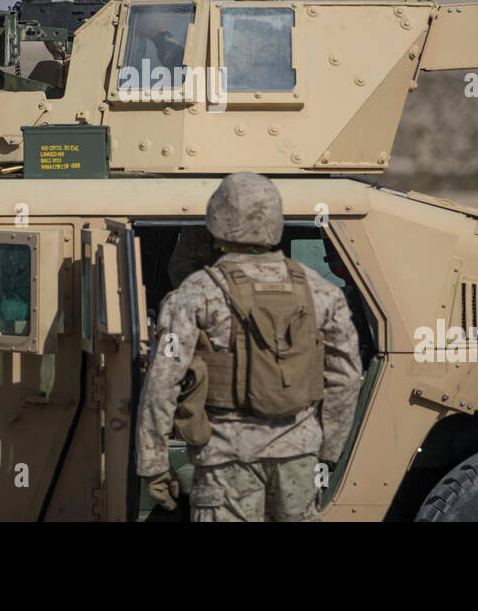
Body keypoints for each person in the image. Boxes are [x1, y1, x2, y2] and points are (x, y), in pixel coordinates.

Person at [135, 172, 361, 522]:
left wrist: (153, 463)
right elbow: (345, 378)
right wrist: (326, 451)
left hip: (225, 458)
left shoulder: (195, 293)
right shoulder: (320, 291)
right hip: (298, 457)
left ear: (217, 221)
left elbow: (163, 380)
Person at [164, 0, 287, 286]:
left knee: (183, 271)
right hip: (250, 158)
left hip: (239, 162)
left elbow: (212, 81)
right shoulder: (266, 15)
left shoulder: (249, 21)